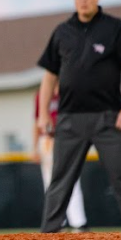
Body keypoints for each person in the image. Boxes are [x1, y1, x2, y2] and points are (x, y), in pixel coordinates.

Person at [36, 0, 121, 234]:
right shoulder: (62, 31)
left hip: (108, 117)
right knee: (60, 179)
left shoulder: (114, 28)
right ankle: (49, 234)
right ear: (74, 0)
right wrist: (43, 113)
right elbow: (49, 76)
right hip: (69, 118)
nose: (83, 0)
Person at [33, 87, 88, 232]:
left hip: (67, 139)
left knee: (73, 180)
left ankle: (78, 222)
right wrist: (35, 148)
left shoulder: (69, 92)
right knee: (50, 183)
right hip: (47, 141)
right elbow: (37, 122)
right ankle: (58, 223)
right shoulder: (42, 94)